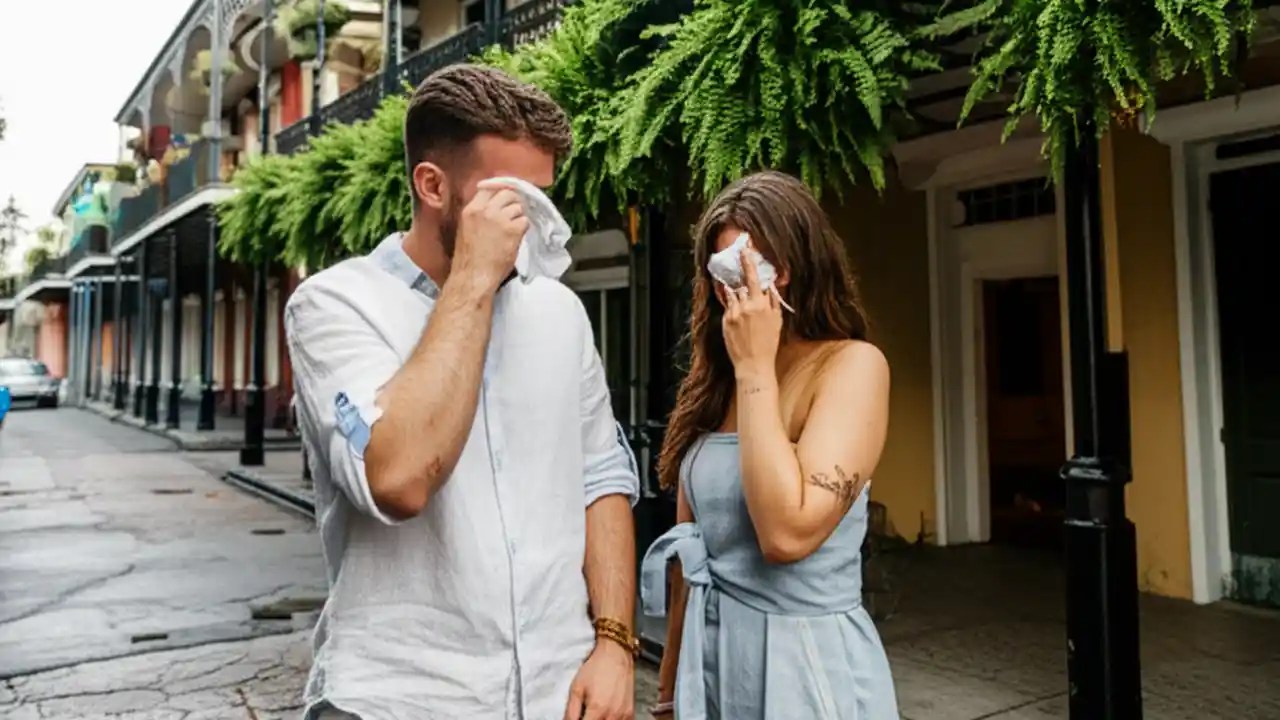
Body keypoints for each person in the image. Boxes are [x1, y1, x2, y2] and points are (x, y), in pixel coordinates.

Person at [285, 64, 641, 720]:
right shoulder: (334, 306)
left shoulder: (560, 314)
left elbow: (600, 478)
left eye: (541, 198)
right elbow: (398, 479)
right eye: (509, 199)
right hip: (400, 698)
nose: (528, 224)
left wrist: (615, 644)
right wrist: (474, 275)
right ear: (432, 186)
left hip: (557, 694)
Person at [642, 171, 898, 719]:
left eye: (755, 266)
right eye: (723, 271)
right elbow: (690, 560)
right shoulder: (717, 384)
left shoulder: (851, 366)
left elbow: (786, 533)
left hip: (801, 668)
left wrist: (757, 367)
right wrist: (667, 695)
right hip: (709, 665)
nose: (739, 286)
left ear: (796, 266)